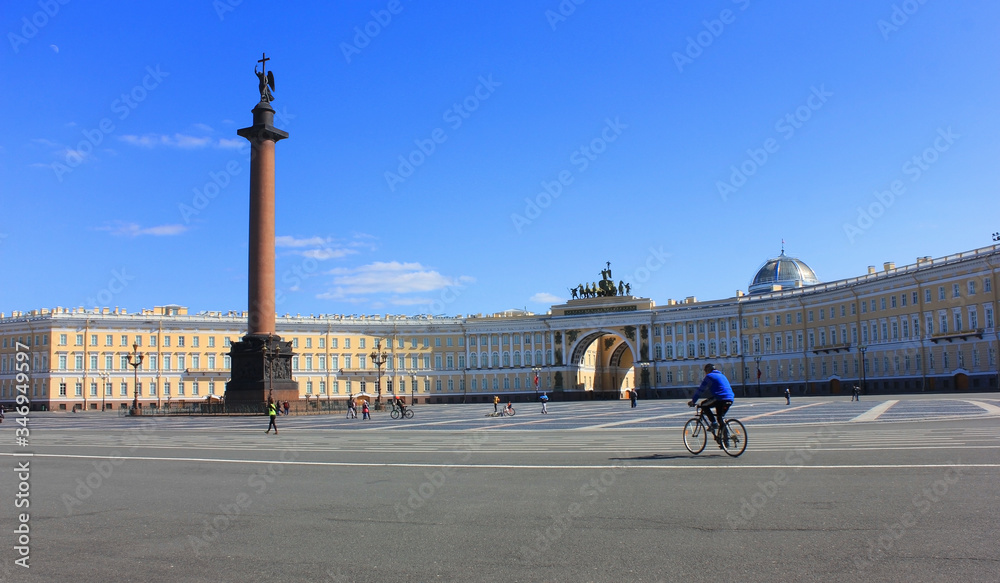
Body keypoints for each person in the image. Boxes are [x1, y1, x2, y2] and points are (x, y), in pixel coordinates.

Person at [688, 363, 735, 433]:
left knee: (703, 405)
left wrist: (693, 401)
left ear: (707, 370)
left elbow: (700, 390)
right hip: (730, 399)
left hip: (720, 398)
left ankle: (713, 423)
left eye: (705, 371)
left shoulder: (709, 376)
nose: (705, 373)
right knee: (720, 418)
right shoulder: (722, 375)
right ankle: (726, 441)